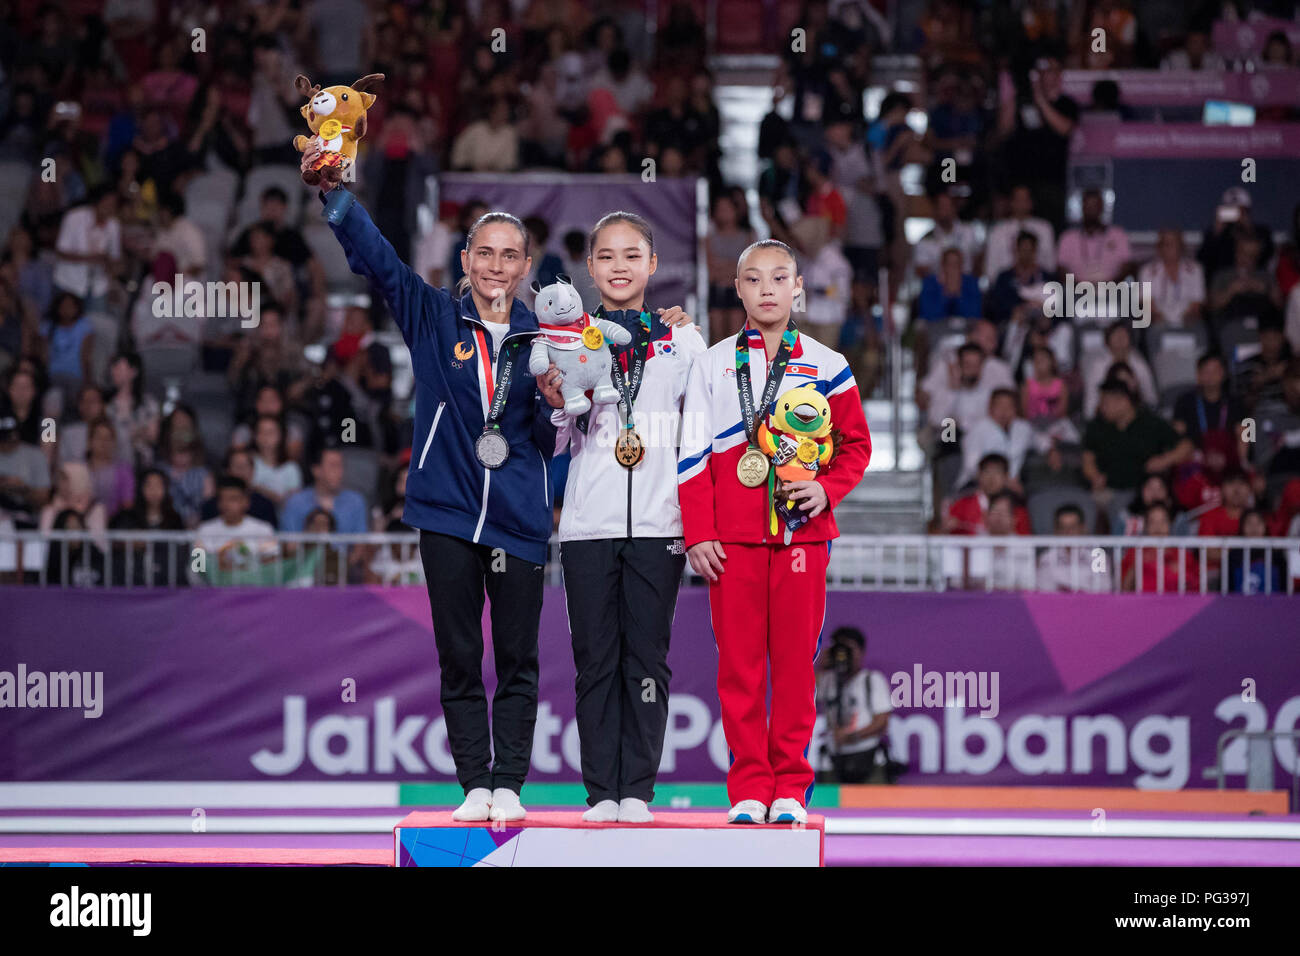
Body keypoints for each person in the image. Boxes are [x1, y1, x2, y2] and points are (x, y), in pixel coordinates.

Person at [309, 143, 565, 824]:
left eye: (511, 256)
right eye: (486, 253)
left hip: (518, 519)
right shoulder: (433, 317)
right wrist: (336, 197)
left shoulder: (548, 340)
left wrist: (555, 402)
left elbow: (550, 440)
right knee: (458, 654)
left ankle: (509, 782)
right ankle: (473, 784)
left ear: (526, 267)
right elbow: (379, 261)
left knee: (517, 656)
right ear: (466, 259)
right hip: (446, 513)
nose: (497, 267)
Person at [678, 238, 872, 825]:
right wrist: (699, 533)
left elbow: (857, 446)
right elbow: (690, 456)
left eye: (778, 278)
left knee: (793, 667)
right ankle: (748, 790)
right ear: (737, 290)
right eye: (754, 279)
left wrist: (827, 490)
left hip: (802, 537)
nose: (767, 289)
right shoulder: (711, 363)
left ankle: (790, 785)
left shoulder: (828, 363)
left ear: (798, 290)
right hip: (732, 541)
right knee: (739, 670)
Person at [551, 211, 703, 823]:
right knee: (595, 659)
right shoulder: (564, 337)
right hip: (588, 523)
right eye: (607, 256)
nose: (619, 267)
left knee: (647, 659)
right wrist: (562, 402)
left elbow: (698, 437)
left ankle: (636, 791)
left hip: (661, 526)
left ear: (653, 265)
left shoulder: (683, 340)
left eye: (631, 255)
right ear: (590, 268)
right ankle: (600, 794)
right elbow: (555, 437)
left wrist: (694, 519)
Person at [815, 626, 894, 784]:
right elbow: (805, 697)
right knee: (829, 808)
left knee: (873, 807)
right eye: (839, 648)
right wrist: (820, 666)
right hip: (834, 758)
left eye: (849, 649)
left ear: (861, 652)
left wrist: (852, 736)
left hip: (868, 758)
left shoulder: (872, 679)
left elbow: (882, 722)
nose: (843, 655)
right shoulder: (828, 679)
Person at [279, 446, 366, 533]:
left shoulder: (355, 501)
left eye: (341, 466)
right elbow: (289, 544)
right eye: (333, 466)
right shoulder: (295, 502)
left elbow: (360, 543)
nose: (339, 472)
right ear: (316, 470)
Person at [1036, 504, 1112, 593]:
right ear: (1056, 531)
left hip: (1091, 606)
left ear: (1083, 528)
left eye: (1073, 527)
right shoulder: (1047, 558)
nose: (1068, 532)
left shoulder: (1098, 557)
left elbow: (1104, 589)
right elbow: (1045, 592)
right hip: (1057, 606)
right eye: (1063, 528)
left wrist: (1068, 591)